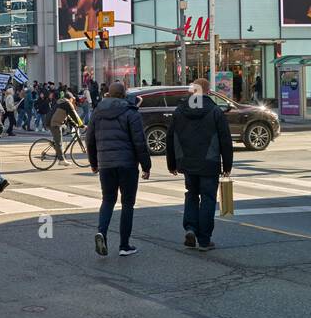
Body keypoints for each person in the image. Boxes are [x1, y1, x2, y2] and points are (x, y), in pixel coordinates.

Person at [166, 78, 233, 252]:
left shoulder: (180, 110)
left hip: (187, 162)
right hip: (209, 162)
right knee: (208, 199)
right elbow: (225, 140)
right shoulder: (215, 111)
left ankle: (190, 228)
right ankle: (204, 239)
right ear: (208, 91)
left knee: (191, 194)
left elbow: (170, 137)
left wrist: (171, 163)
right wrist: (227, 165)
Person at [86, 82, 151, 258]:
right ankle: (124, 245)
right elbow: (139, 142)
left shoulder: (98, 112)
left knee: (107, 200)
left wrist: (93, 162)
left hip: (106, 164)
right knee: (127, 204)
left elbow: (90, 139)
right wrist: (146, 166)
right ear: (124, 94)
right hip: (128, 164)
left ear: (108, 94)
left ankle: (102, 232)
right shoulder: (131, 111)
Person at [48, 90, 83, 166]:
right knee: (59, 142)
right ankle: (61, 160)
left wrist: (74, 124)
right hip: (54, 124)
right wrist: (81, 125)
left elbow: (69, 117)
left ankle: (56, 145)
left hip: (54, 122)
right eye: (72, 99)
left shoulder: (62, 102)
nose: (73, 100)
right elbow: (74, 115)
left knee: (64, 129)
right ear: (70, 98)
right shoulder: (67, 103)